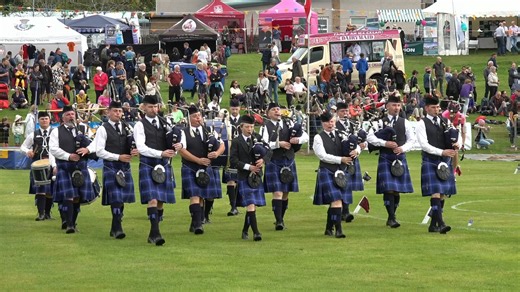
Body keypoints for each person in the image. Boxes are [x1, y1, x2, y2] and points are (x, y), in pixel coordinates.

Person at [133, 95, 182, 245]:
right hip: (148, 164)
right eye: (150, 107)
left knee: (160, 200)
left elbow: (177, 139)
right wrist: (160, 153)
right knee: (153, 199)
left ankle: (154, 230)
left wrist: (179, 147)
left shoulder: (165, 123)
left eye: (156, 107)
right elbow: (141, 148)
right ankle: (155, 233)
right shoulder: (139, 125)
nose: (154, 110)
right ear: (144, 108)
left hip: (164, 164)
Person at [367, 94, 415, 228]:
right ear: (387, 106)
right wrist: (384, 143)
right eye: (394, 105)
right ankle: (391, 217)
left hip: (400, 157)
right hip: (385, 157)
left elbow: (411, 140)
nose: (397, 108)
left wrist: (402, 148)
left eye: (399, 105)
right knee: (388, 189)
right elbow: (369, 137)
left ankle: (392, 215)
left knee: (397, 190)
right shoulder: (379, 122)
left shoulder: (404, 122)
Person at [49, 105, 97, 233]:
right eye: (68, 115)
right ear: (62, 118)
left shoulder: (82, 129)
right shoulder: (56, 131)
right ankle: (69, 224)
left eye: (72, 114)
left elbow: (94, 143)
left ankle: (73, 223)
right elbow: (53, 149)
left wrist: (87, 149)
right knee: (69, 196)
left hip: (81, 168)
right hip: (65, 168)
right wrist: (69, 156)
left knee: (77, 197)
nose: (71, 117)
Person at [260, 103, 308, 230]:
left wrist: (297, 140)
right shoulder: (265, 126)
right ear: (268, 113)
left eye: (278, 109)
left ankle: (280, 219)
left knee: (285, 193)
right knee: (278, 192)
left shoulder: (289, 123)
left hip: (289, 160)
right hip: (274, 161)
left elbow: (305, 136)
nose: (277, 111)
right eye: (273, 110)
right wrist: (278, 144)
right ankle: (279, 221)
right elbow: (263, 144)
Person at [95, 101, 139, 239]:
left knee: (122, 198)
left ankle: (115, 226)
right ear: (108, 112)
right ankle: (118, 227)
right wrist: (118, 157)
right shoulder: (103, 129)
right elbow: (99, 151)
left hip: (124, 166)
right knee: (116, 198)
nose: (118, 114)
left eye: (120, 111)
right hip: (111, 166)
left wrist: (134, 150)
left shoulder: (126, 127)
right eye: (115, 111)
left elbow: (132, 144)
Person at [416, 95, 459, 234]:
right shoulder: (421, 123)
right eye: (433, 107)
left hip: (444, 160)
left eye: (438, 107)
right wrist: (442, 152)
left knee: (441, 194)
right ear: (426, 108)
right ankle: (441, 223)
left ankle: (433, 225)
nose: (436, 110)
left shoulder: (445, 121)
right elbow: (424, 145)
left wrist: (457, 144)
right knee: (435, 192)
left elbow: (455, 137)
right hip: (431, 160)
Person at [179, 105, 225, 234]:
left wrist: (216, 154)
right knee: (195, 195)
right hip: (190, 167)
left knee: (201, 197)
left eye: (199, 115)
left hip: (205, 167)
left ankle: (195, 223)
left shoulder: (209, 129)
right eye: (194, 116)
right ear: (189, 119)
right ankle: (198, 225)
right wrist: (197, 160)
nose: (198, 118)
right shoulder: (184, 131)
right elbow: (181, 150)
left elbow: (222, 145)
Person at [312, 111, 353, 238]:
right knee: (336, 200)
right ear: (323, 123)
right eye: (327, 122)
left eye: (332, 121)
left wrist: (356, 151)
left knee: (337, 201)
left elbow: (355, 146)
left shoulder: (342, 134)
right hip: (327, 171)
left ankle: (329, 229)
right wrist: (340, 159)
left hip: (341, 171)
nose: (330, 124)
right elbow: (322, 156)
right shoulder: (318, 138)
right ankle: (339, 230)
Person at [229, 114, 268, 241]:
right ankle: (256, 233)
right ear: (241, 127)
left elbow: (269, 151)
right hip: (244, 176)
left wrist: (263, 160)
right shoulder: (236, 141)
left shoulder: (257, 138)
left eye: (252, 127)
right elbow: (233, 161)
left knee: (252, 206)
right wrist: (248, 167)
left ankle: (245, 230)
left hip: (256, 177)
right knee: (250, 204)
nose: (250, 129)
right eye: (247, 127)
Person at [21, 111, 55, 221]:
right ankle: (41, 213)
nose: (44, 121)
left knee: (50, 191)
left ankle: (48, 213)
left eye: (46, 119)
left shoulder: (56, 133)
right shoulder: (33, 134)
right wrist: (28, 152)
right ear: (38, 121)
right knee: (41, 190)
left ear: (49, 120)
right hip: (38, 167)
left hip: (52, 165)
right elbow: (23, 146)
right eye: (42, 119)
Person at [223, 99, 241, 216]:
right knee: (230, 180)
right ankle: (233, 207)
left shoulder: (244, 120)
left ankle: (237, 204)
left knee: (238, 181)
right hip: (229, 154)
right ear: (230, 108)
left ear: (240, 108)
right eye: (233, 109)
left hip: (241, 154)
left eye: (236, 109)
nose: (234, 111)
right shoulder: (225, 121)